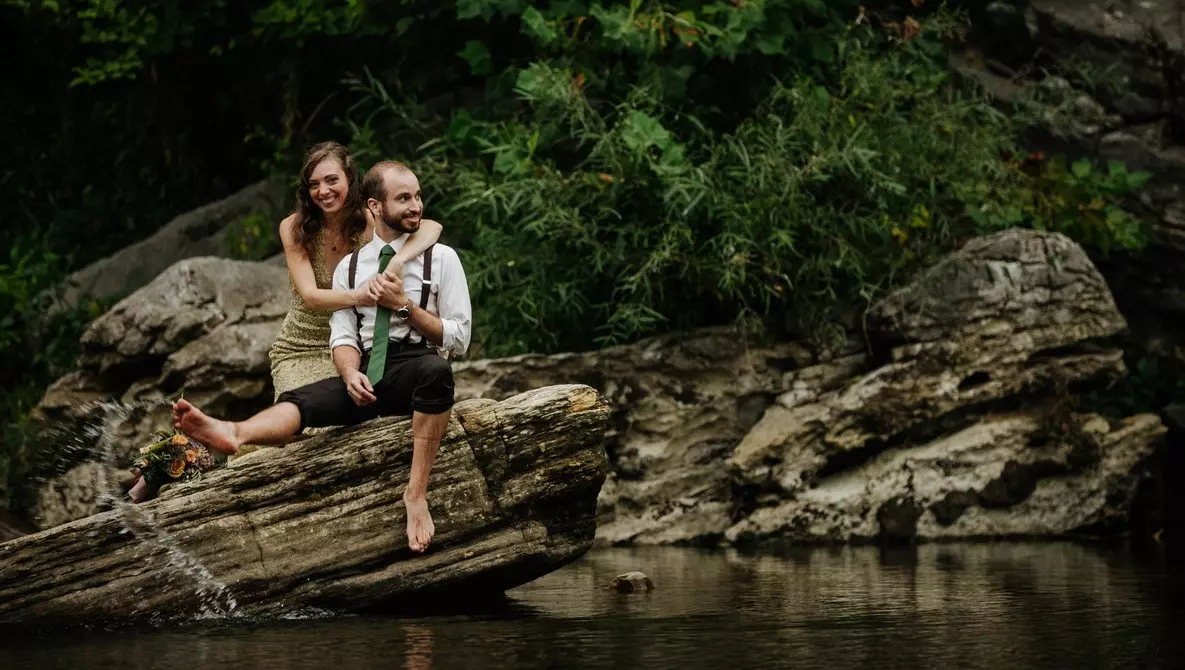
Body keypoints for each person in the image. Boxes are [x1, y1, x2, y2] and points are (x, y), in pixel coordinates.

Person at [171, 160, 472, 554]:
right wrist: (349, 375)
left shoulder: (441, 259)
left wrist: (405, 308)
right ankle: (234, 432)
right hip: (363, 369)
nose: (416, 206)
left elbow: (459, 339)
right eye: (404, 199)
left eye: (417, 196)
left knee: (436, 370)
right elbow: (344, 335)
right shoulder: (350, 266)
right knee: (304, 399)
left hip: (413, 367)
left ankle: (415, 495)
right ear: (375, 207)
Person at [127, 142, 442, 503]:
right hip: (302, 346)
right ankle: (171, 459)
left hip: (352, 345)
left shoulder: (370, 221)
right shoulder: (295, 228)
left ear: (351, 180)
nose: (323, 191)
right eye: (313, 184)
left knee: (333, 427)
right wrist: (368, 294)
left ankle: (196, 450)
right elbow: (311, 296)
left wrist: (397, 264)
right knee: (300, 432)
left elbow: (431, 227)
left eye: (331, 180)